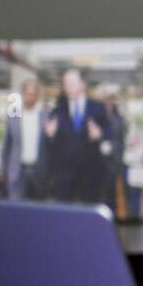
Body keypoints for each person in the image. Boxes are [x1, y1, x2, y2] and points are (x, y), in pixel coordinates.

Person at [43, 67, 114, 205]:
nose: (67, 87)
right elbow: (51, 143)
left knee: (89, 210)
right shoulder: (58, 110)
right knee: (65, 212)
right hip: (65, 175)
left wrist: (100, 134)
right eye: (65, 84)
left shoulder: (97, 108)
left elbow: (109, 133)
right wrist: (50, 135)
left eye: (71, 83)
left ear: (82, 84)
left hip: (90, 172)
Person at [1, 78, 48, 199]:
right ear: (22, 94)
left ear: (38, 96)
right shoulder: (13, 115)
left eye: (33, 94)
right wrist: (3, 171)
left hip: (38, 172)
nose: (30, 97)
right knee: (15, 206)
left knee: (37, 207)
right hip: (17, 171)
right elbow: (6, 145)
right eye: (27, 93)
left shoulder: (46, 115)